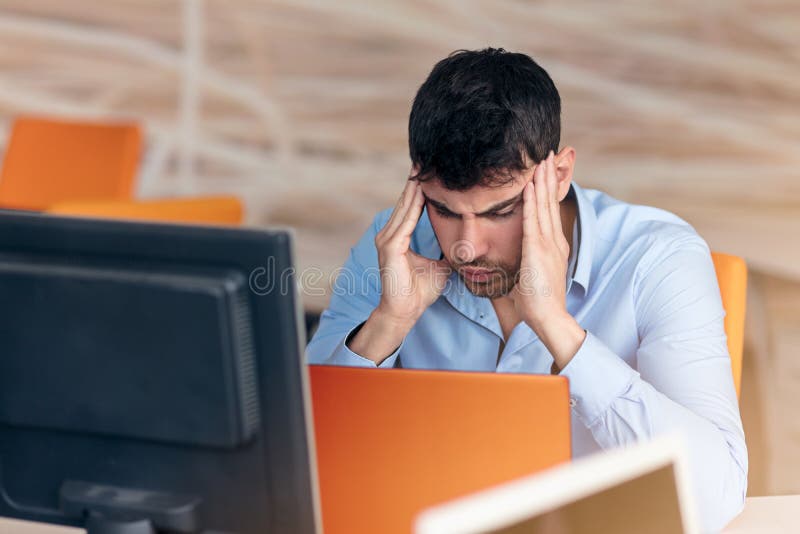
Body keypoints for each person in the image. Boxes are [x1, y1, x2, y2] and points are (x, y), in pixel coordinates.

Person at [306, 48, 746, 531]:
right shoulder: (394, 248)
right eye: (444, 210)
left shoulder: (658, 258)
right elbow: (300, 475)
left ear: (558, 176)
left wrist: (558, 328)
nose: (467, 247)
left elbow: (718, 495)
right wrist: (388, 325)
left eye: (499, 212)